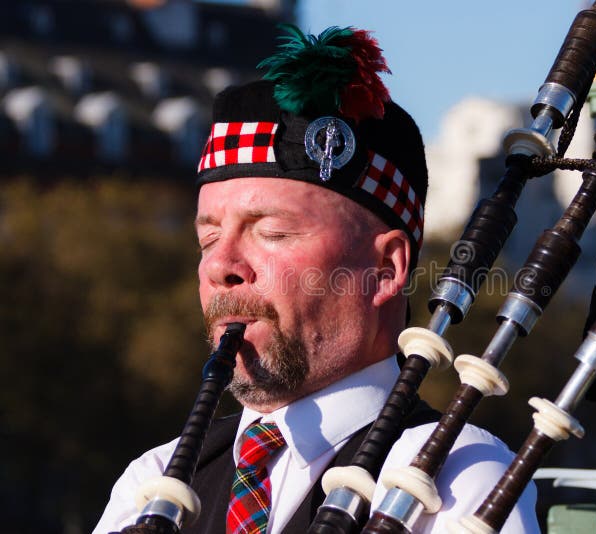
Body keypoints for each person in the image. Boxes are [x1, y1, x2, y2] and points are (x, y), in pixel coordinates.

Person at [94, 25, 538, 533]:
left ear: (385, 269)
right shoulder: (150, 483)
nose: (221, 266)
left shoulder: (456, 479)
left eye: (273, 232)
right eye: (209, 239)